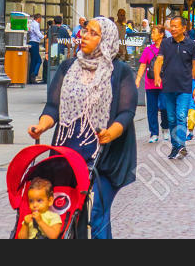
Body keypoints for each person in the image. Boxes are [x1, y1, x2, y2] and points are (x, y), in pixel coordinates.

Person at [28, 16, 136, 239]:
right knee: (69, 213)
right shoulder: (68, 67)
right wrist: (41, 126)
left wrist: (111, 132)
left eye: (93, 33)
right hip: (68, 152)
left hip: (105, 155)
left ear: (105, 40)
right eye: (85, 31)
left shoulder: (120, 71)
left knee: (98, 213)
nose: (84, 36)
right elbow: (52, 107)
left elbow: (126, 112)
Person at [154, 15, 195, 159]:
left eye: (175, 26)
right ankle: (176, 147)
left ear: (183, 28)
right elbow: (159, 61)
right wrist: (157, 76)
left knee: (181, 116)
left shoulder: (191, 45)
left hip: (185, 87)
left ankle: (181, 145)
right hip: (168, 87)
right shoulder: (165, 43)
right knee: (171, 118)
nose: (172, 29)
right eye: (171, 26)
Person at [136, 24, 164, 143]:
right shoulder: (148, 49)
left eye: (154, 32)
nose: (152, 35)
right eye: (151, 32)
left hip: (165, 84)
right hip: (150, 83)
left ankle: (165, 127)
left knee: (165, 107)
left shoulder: (167, 48)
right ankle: (154, 133)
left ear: (161, 34)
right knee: (151, 109)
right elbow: (143, 65)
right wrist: (137, 79)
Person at [26, 13, 44, 85]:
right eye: (40, 19)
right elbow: (37, 33)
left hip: (31, 42)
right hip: (35, 43)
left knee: (33, 61)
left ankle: (31, 76)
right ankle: (34, 74)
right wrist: (43, 36)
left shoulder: (31, 23)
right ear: (38, 18)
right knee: (38, 60)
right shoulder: (36, 24)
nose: (41, 20)